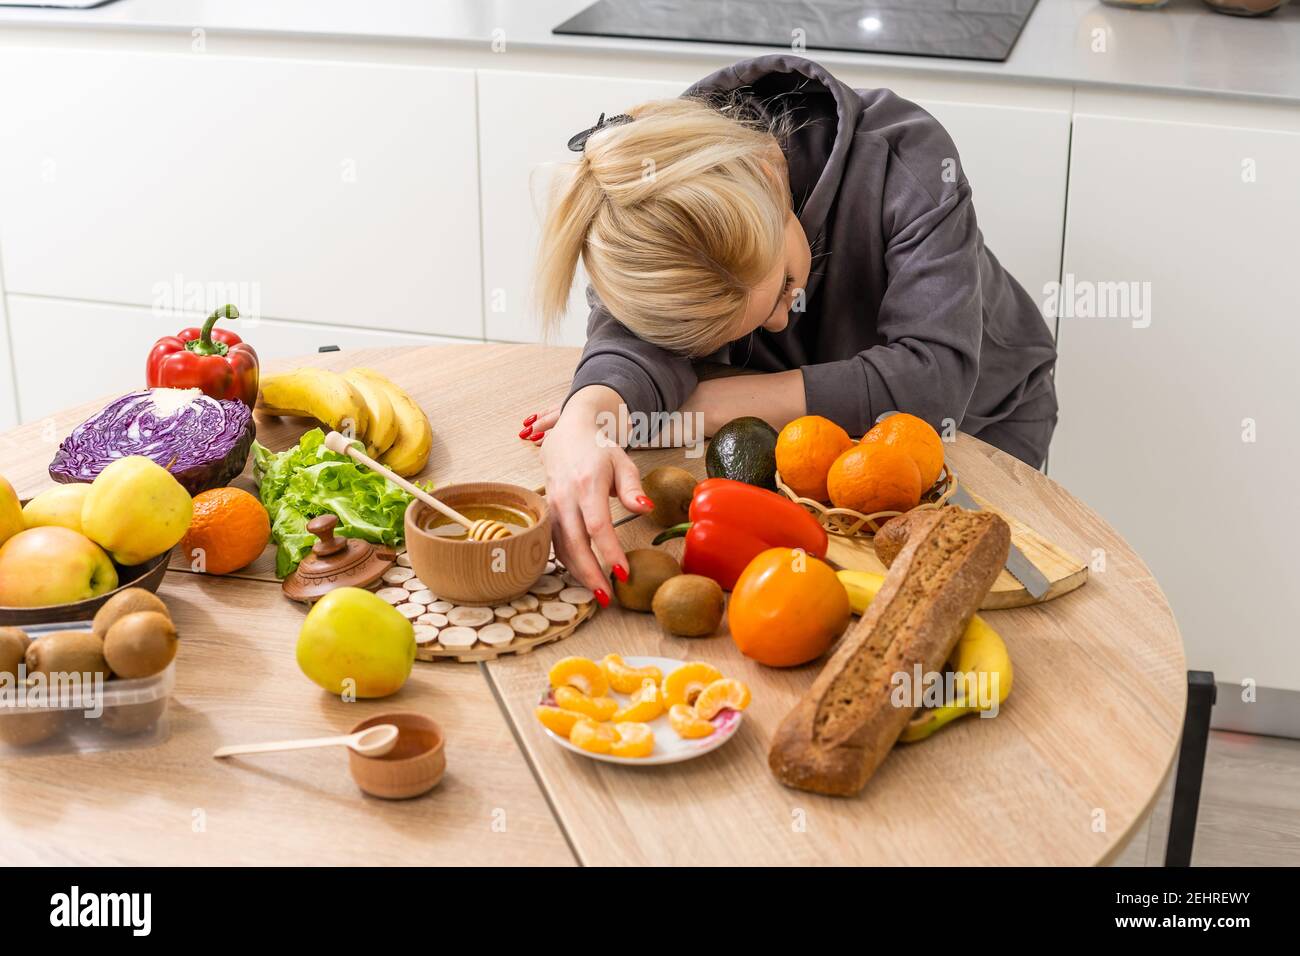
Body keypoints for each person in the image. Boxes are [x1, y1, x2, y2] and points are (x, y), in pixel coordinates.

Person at [521, 55, 1057, 605]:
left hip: (977, 424)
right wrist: (587, 417)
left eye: (786, 285)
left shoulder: (907, 156)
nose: (781, 321)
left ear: (770, 173)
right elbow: (632, 345)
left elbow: (931, 384)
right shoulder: (656, 204)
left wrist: (683, 410)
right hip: (799, 442)